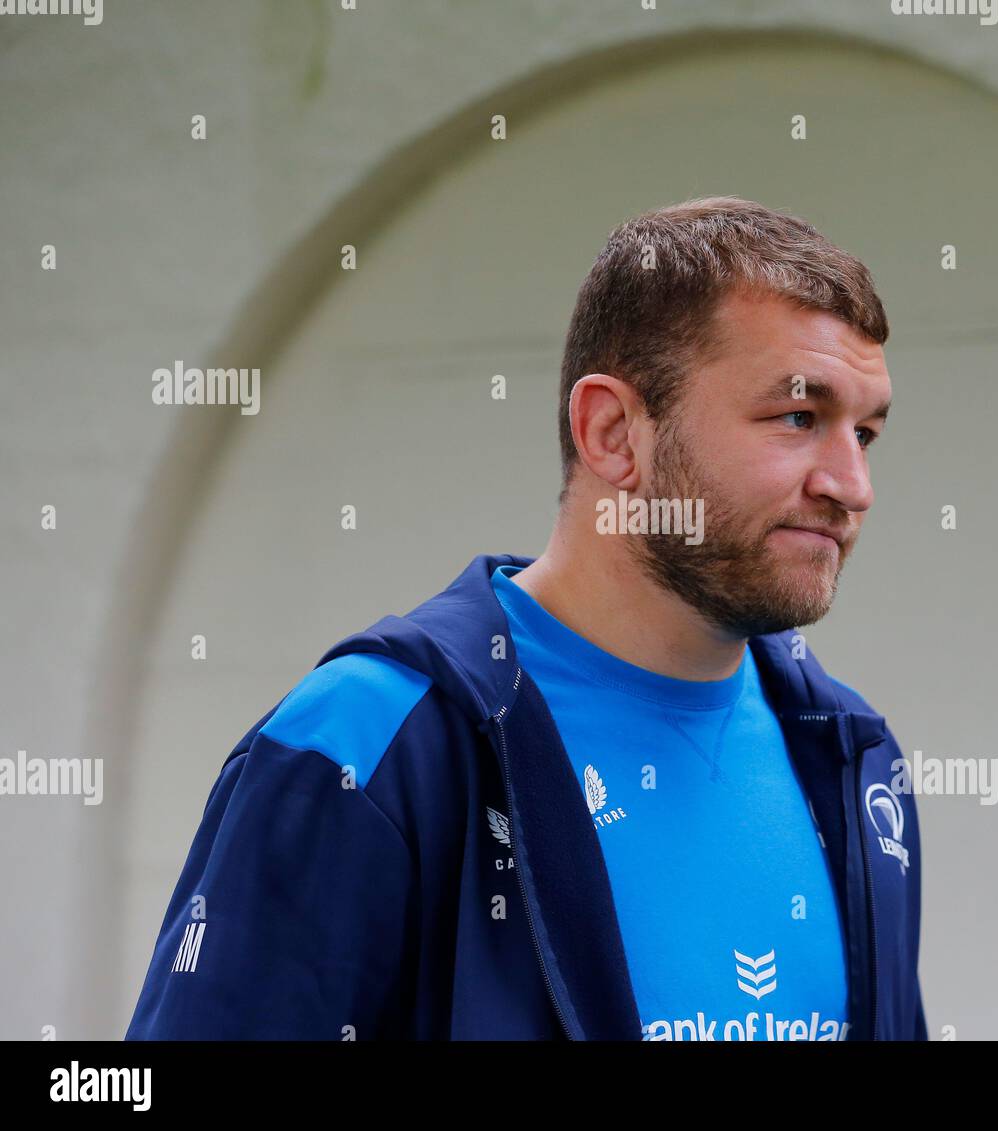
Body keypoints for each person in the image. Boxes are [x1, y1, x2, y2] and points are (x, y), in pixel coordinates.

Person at [125, 196, 927, 1041]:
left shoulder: (850, 755)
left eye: (865, 433)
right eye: (799, 418)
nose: (851, 484)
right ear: (614, 432)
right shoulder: (371, 741)